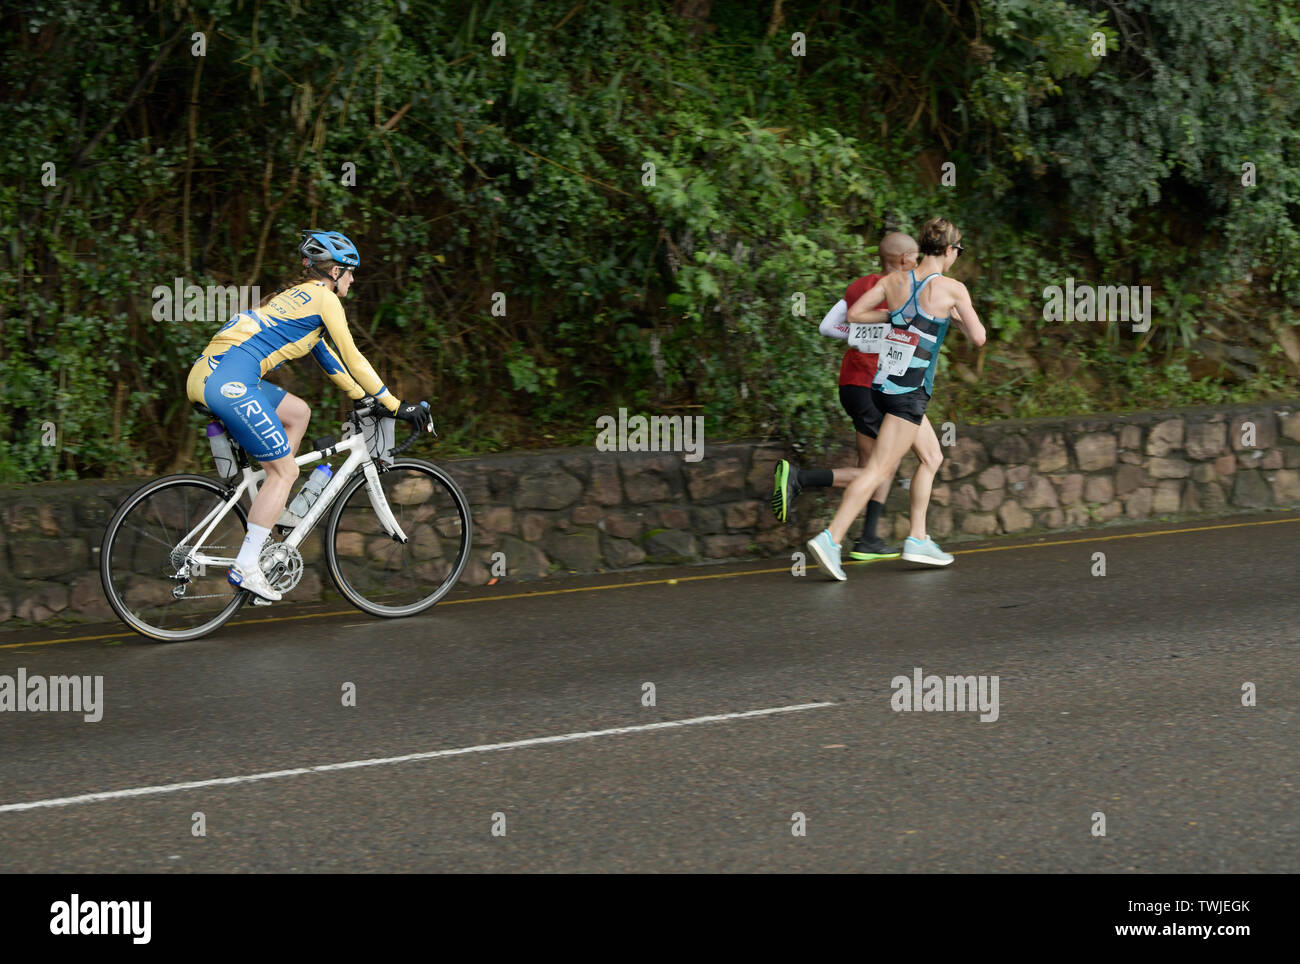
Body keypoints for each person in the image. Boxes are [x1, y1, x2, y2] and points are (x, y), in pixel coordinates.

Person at [185, 229, 432, 602]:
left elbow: (333, 364)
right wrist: (396, 405)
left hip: (210, 375)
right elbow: (353, 357)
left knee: (299, 413)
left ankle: (273, 513)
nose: (352, 279)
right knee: (285, 470)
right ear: (334, 272)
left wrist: (364, 398)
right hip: (228, 382)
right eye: (350, 272)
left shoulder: (295, 300)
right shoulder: (325, 300)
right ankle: (247, 564)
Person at [804, 218, 986, 580]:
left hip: (882, 385)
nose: (956, 257)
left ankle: (918, 538)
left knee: (932, 456)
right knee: (879, 470)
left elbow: (855, 314)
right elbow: (978, 337)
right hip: (909, 394)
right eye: (958, 251)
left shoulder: (894, 281)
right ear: (949, 250)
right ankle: (830, 538)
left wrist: (895, 316)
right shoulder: (952, 289)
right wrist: (952, 316)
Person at [771, 232, 943, 562]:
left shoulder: (860, 286)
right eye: (916, 256)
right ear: (905, 260)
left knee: (875, 465)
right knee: (886, 466)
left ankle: (867, 540)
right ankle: (800, 479)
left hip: (850, 383)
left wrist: (860, 338)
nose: (920, 262)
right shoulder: (906, 290)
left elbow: (827, 326)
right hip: (882, 386)